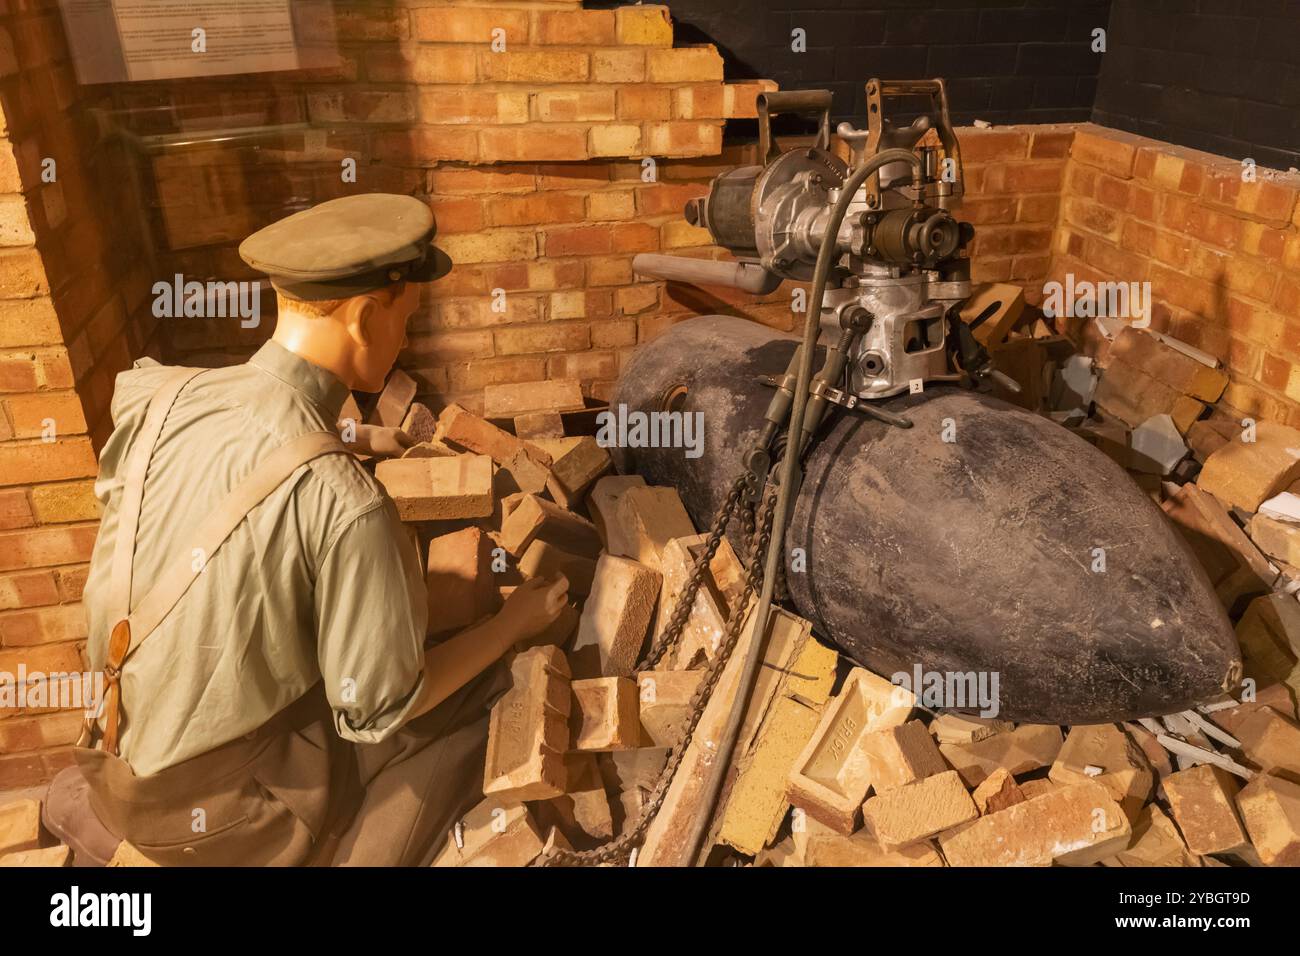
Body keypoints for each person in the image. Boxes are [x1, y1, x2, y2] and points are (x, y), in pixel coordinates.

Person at [42, 194, 569, 866]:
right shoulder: (350, 505)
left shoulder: (161, 397)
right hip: (216, 815)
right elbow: (377, 711)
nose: (405, 340)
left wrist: (349, 442)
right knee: (470, 716)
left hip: (110, 754)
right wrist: (510, 626)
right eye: (405, 321)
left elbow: (247, 458)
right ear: (364, 318)